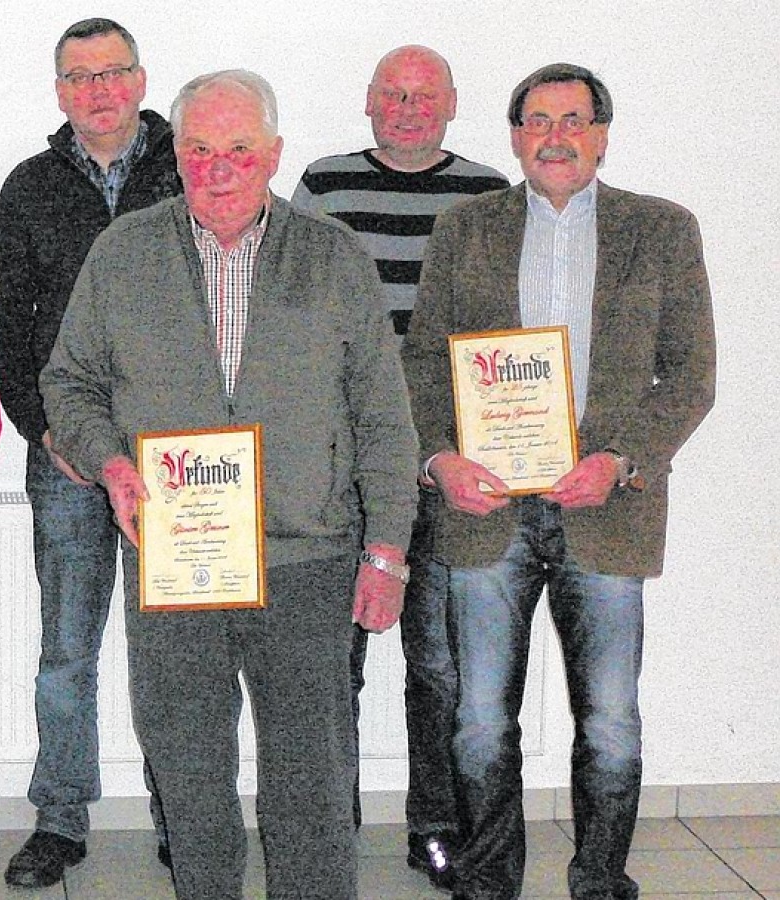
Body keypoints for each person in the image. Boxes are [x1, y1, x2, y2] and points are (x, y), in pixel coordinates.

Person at [40, 70, 418, 899]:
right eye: (199, 150)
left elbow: (385, 417)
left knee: (312, 781)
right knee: (188, 773)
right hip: (175, 563)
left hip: (308, 560)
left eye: (239, 151)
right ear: (174, 155)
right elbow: (68, 384)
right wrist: (108, 460)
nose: (218, 170)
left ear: (274, 155)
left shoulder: (333, 256)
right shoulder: (124, 252)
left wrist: (386, 550)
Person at [402, 63, 716, 900]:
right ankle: (488, 880)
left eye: (574, 120)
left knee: (610, 724)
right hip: (485, 511)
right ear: (514, 137)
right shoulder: (466, 228)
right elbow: (423, 364)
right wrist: (439, 460)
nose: (555, 136)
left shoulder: (663, 229)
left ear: (603, 136)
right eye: (538, 120)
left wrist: (620, 461)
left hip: (607, 511)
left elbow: (691, 376)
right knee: (476, 722)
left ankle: (600, 880)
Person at [290, 44, 508, 890]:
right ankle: (328, 827)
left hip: (450, 463)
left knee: (439, 666)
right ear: (368, 102)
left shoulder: (488, 192)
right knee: (327, 664)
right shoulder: (324, 184)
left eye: (424, 96)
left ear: (452, 105)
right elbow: (293, 307)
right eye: (393, 94)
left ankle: (435, 828)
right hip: (339, 464)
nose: (408, 109)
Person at [0, 16, 181, 889]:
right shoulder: (26, 188)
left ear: (141, 81)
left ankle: (185, 812)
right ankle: (61, 818)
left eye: (113, 74)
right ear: (59, 91)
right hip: (66, 460)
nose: (98, 92)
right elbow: (10, 335)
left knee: (174, 647)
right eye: (79, 77)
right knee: (66, 649)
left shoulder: (196, 169)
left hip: (178, 460)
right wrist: (45, 431)